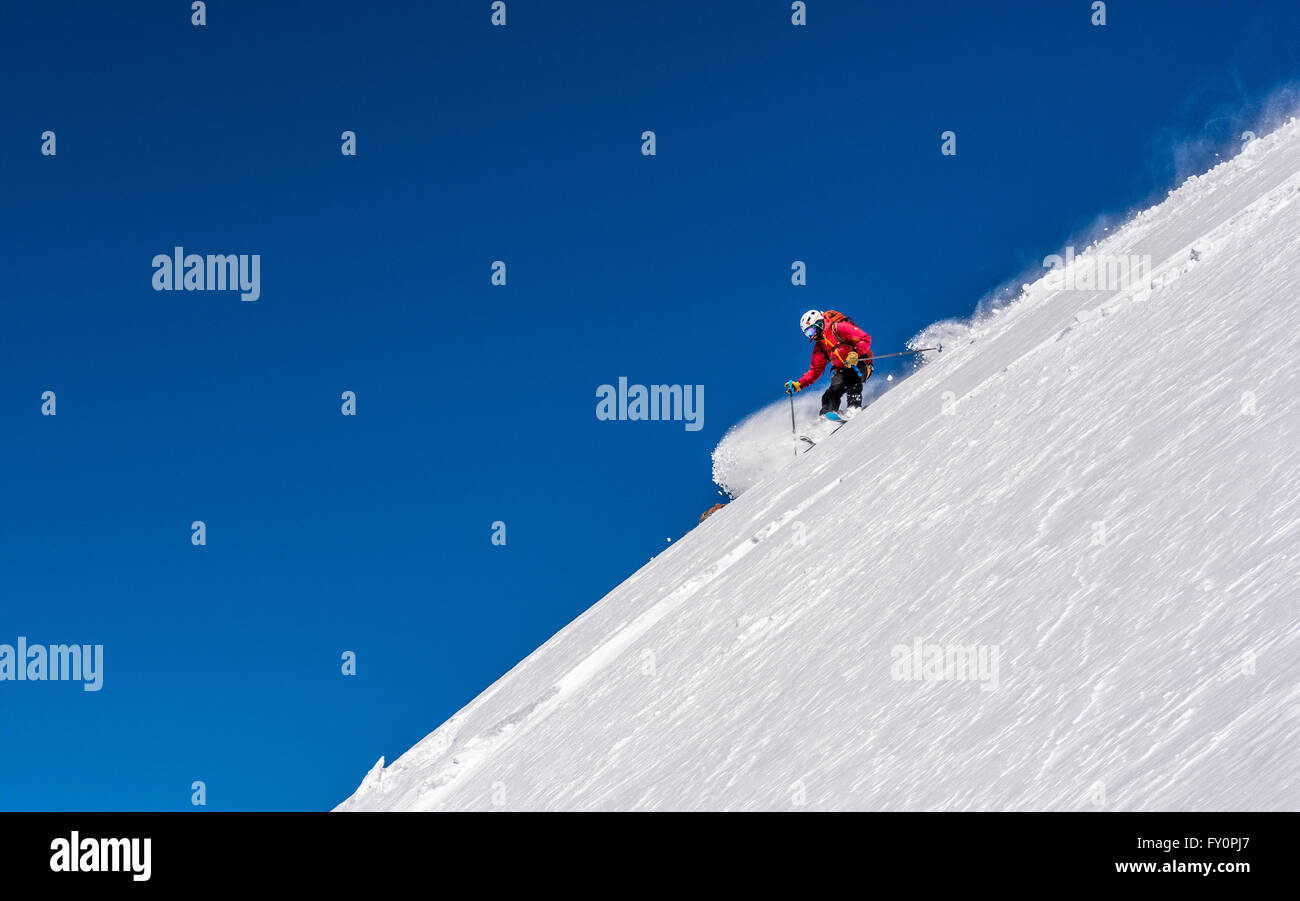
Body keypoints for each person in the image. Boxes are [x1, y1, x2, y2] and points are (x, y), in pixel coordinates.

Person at [784, 309, 873, 419]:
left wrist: (855, 353)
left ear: (818, 324)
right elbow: (815, 371)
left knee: (852, 376)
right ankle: (827, 417)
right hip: (841, 370)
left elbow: (865, 338)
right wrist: (799, 384)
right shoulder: (820, 346)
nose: (811, 336)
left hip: (861, 362)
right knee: (830, 394)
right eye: (807, 334)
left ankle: (854, 408)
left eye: (811, 331)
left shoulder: (838, 328)